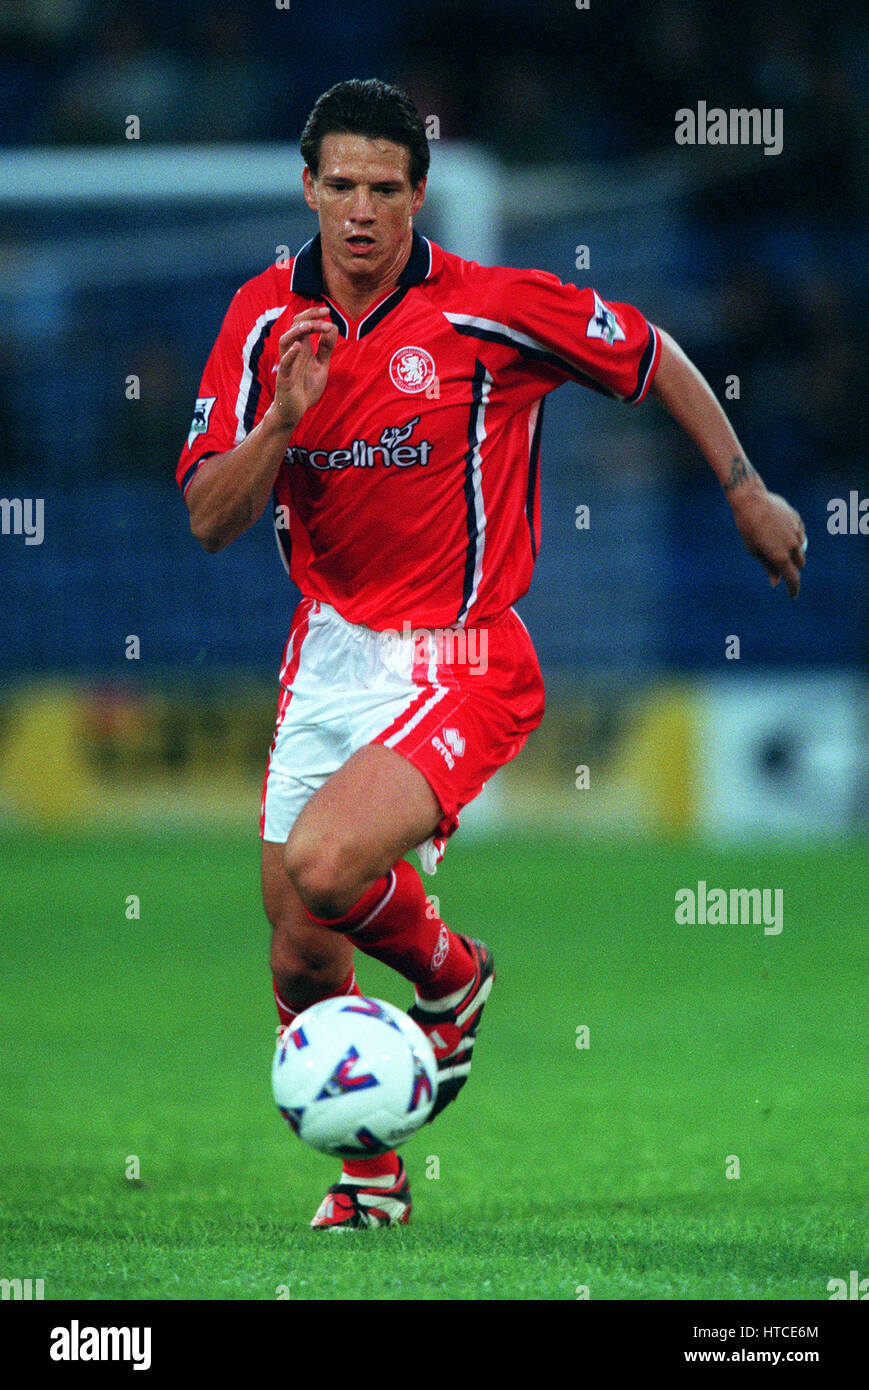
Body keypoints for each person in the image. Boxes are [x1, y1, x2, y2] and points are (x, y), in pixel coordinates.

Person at [177, 78, 807, 1230]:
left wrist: (744, 488)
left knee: (327, 867)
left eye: (385, 188)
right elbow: (211, 519)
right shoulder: (262, 324)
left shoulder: (491, 310)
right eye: (341, 186)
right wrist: (282, 417)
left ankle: (450, 978)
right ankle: (370, 1182)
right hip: (326, 650)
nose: (361, 211)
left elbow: (652, 350)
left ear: (420, 195)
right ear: (305, 187)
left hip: (462, 658)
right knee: (298, 942)